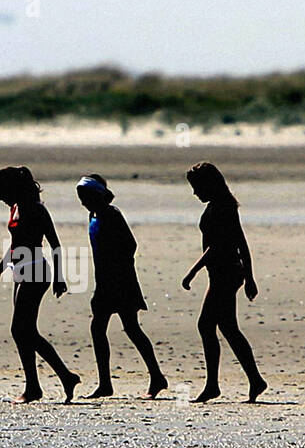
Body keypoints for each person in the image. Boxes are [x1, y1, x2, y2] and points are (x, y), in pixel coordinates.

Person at [0, 166, 80, 403]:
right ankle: (55, 380)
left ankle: (43, 384)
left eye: (0, 191)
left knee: (21, 330)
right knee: (23, 331)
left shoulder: (36, 209)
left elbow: (55, 244)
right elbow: (15, 245)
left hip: (37, 271)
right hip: (20, 271)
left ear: (12, 188)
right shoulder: (15, 208)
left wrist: (59, 277)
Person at [180, 163, 268, 403]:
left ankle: (212, 386)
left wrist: (192, 272)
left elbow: (221, 245)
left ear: (209, 184)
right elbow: (241, 241)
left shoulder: (223, 207)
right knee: (228, 328)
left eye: (197, 187)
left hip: (226, 274)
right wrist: (248, 276)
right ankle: (255, 380)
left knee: (206, 325)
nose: (195, 193)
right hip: (223, 274)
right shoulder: (221, 205)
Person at [75, 174, 166, 398]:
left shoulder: (111, 214)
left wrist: (117, 269)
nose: (82, 201)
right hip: (104, 282)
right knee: (99, 329)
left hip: (120, 281)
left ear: (96, 194)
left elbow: (130, 245)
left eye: (85, 196)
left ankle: (156, 377)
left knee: (131, 328)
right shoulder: (93, 215)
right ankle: (106, 383)